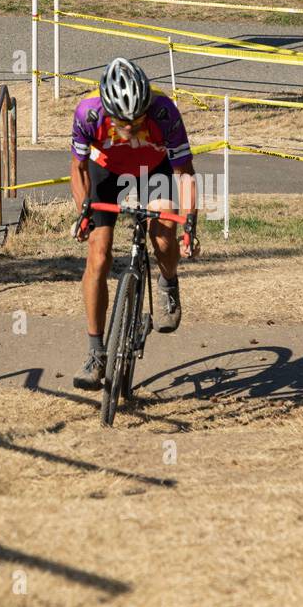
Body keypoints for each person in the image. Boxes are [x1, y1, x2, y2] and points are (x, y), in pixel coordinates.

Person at [69, 57, 199, 390]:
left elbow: (184, 174)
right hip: (106, 173)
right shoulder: (89, 114)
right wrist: (83, 212)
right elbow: (79, 168)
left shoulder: (165, 113)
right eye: (121, 122)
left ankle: (168, 284)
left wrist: (190, 225)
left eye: (136, 119)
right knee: (98, 256)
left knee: (163, 236)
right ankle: (96, 353)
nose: (129, 128)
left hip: (153, 171)